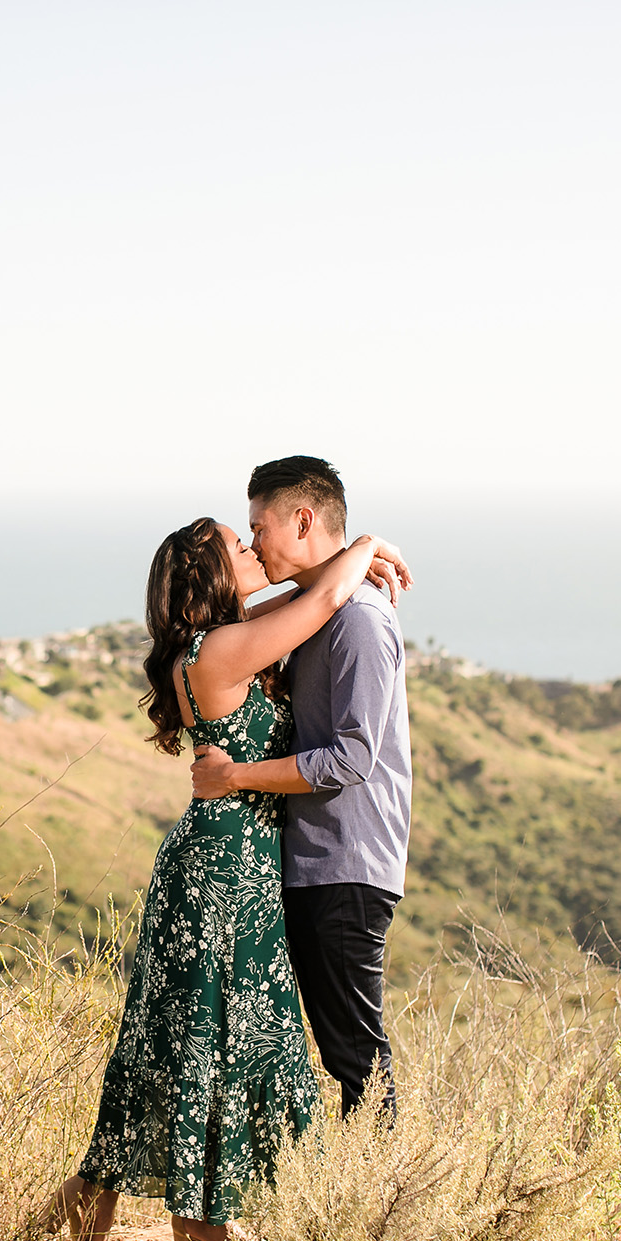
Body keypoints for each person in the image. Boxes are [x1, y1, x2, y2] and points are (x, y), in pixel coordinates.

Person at [47, 514, 411, 1241]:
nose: (253, 551)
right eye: (238, 546)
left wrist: (334, 560)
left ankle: (97, 1207)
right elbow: (322, 601)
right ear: (212, 576)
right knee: (223, 1034)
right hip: (224, 866)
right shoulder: (223, 647)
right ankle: (201, 1223)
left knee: (173, 1038)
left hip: (225, 858)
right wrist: (368, 543)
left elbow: (310, 595)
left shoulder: (218, 641)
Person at [192, 457, 411, 1128]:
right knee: (348, 1062)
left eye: (259, 526)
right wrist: (361, 548)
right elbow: (260, 615)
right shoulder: (322, 613)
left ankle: (382, 1219)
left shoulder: (359, 622)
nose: (255, 543)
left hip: (344, 867)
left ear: (303, 519)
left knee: (359, 1065)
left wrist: (235, 776)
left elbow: (351, 756)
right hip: (316, 864)